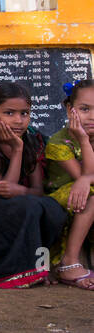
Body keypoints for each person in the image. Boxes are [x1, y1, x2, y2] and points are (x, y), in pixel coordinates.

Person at [0, 82, 66, 289]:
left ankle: (39, 268)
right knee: (28, 207)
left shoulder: (33, 140)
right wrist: (17, 150)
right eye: (9, 113)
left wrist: (22, 190)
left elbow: (37, 190)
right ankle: (19, 271)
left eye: (24, 113)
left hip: (20, 199)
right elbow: (3, 190)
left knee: (53, 209)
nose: (18, 120)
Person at [42, 79, 94, 289]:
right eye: (84, 109)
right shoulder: (58, 143)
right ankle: (69, 262)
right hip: (63, 198)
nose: (92, 116)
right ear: (69, 109)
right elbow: (84, 174)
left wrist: (86, 179)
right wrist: (83, 140)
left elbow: (87, 177)